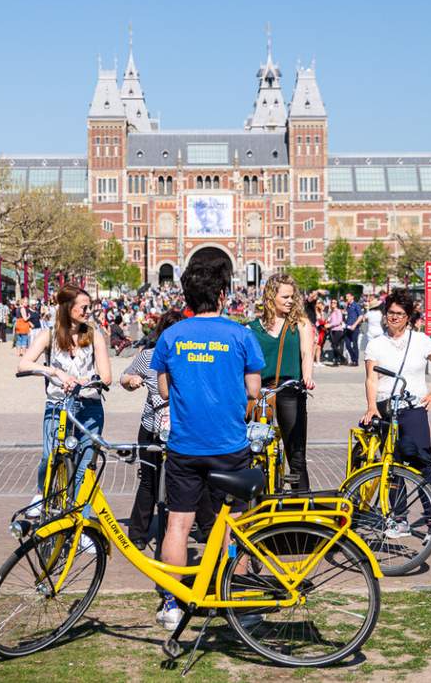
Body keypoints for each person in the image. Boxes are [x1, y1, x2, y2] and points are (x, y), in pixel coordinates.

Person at [150, 257, 264, 630]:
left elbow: (164, 390)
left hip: (185, 446)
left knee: (178, 525)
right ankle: (239, 601)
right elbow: (253, 391)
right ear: (221, 294)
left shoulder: (170, 336)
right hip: (229, 444)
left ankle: (172, 603)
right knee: (235, 524)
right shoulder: (241, 334)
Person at [18, 285, 112, 532]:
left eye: (89, 307)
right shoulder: (48, 335)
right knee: (50, 456)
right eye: (84, 306)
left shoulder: (94, 335)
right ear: (68, 307)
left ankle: (82, 524)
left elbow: (107, 376)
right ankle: (41, 492)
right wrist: (54, 371)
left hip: (89, 406)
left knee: (85, 464)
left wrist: (89, 380)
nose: (88, 311)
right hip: (58, 405)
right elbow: (23, 364)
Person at [120, 310, 209, 549]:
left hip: (184, 426)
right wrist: (131, 381)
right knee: (149, 479)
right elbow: (125, 376)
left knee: (195, 477)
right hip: (153, 425)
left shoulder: (193, 357)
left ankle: (205, 526)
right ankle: (139, 533)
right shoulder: (149, 356)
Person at [361, 289, 431, 486]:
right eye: (391, 312)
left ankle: (430, 513)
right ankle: (397, 515)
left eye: (400, 314)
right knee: (392, 464)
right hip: (385, 407)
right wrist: (371, 406)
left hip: (414, 408)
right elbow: (371, 379)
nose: (394, 317)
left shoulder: (421, 341)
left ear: (408, 317)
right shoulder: (375, 345)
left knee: (422, 461)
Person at [247, 273, 318, 491]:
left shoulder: (301, 324)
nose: (289, 301)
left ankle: (302, 508)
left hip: (290, 389)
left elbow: (307, 353)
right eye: (285, 297)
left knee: (295, 455)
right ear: (270, 297)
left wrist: (307, 377)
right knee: (254, 451)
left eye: (291, 297)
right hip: (261, 392)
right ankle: (256, 504)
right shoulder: (252, 328)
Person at [344, 292, 364, 366]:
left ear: (352, 297)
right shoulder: (348, 306)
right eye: (346, 297)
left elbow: (360, 316)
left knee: (355, 344)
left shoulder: (356, 305)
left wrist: (355, 325)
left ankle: (355, 361)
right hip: (347, 327)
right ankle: (353, 358)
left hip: (354, 328)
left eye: (348, 297)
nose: (347, 298)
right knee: (347, 344)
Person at [326, 298, 346, 366]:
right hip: (332, 330)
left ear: (337, 304)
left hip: (338, 330)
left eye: (334, 302)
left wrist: (330, 325)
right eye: (332, 302)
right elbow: (329, 320)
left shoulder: (338, 311)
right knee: (335, 346)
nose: (333, 304)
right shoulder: (331, 312)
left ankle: (343, 359)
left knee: (334, 346)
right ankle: (336, 361)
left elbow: (339, 321)